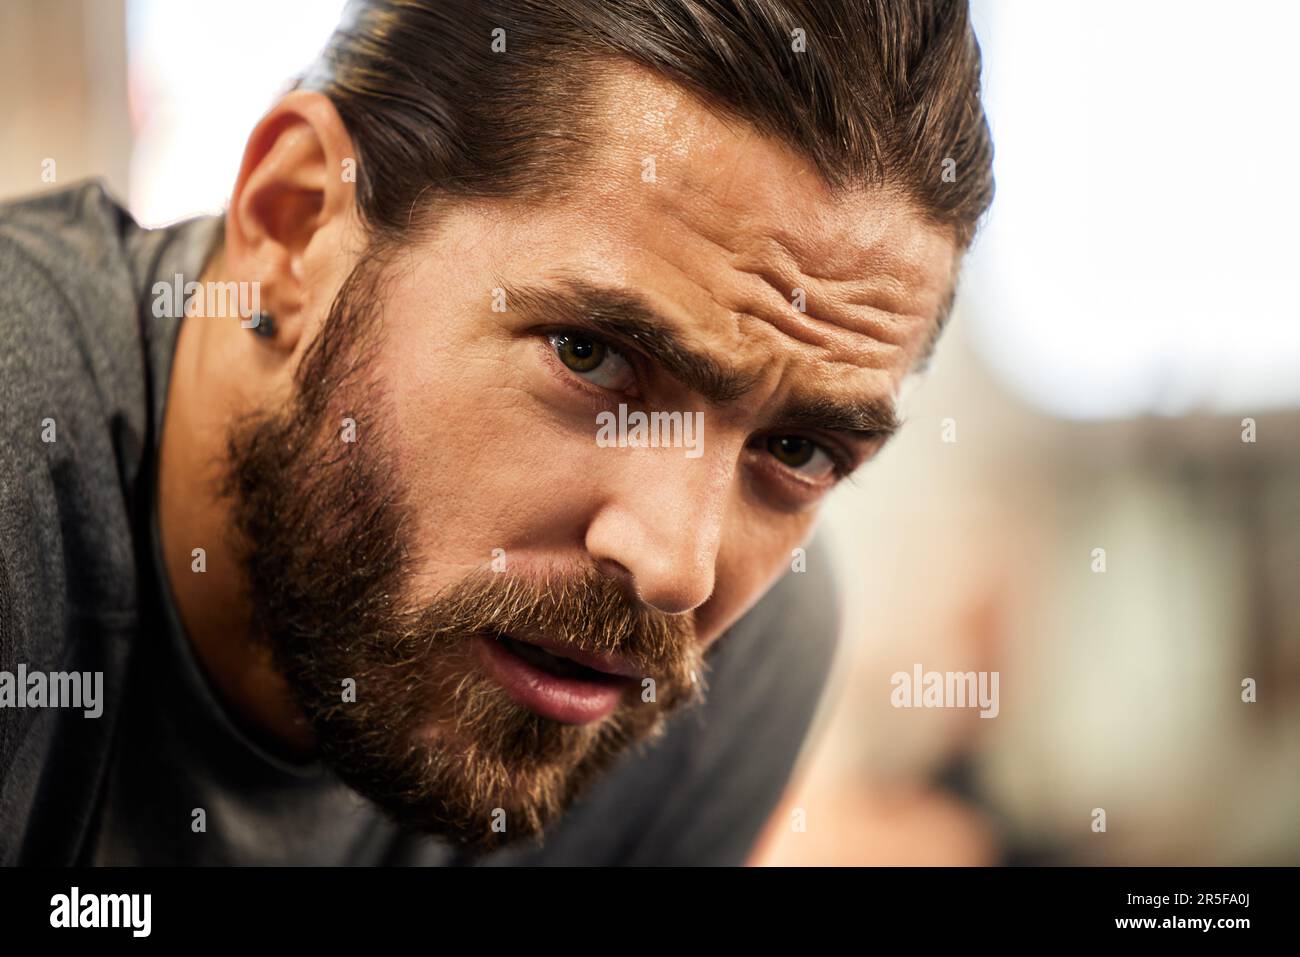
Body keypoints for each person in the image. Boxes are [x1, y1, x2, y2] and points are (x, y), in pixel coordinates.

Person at [0, 0, 993, 865]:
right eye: (591, 355)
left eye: (797, 451)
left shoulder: (742, 669)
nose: (674, 570)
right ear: (295, 223)